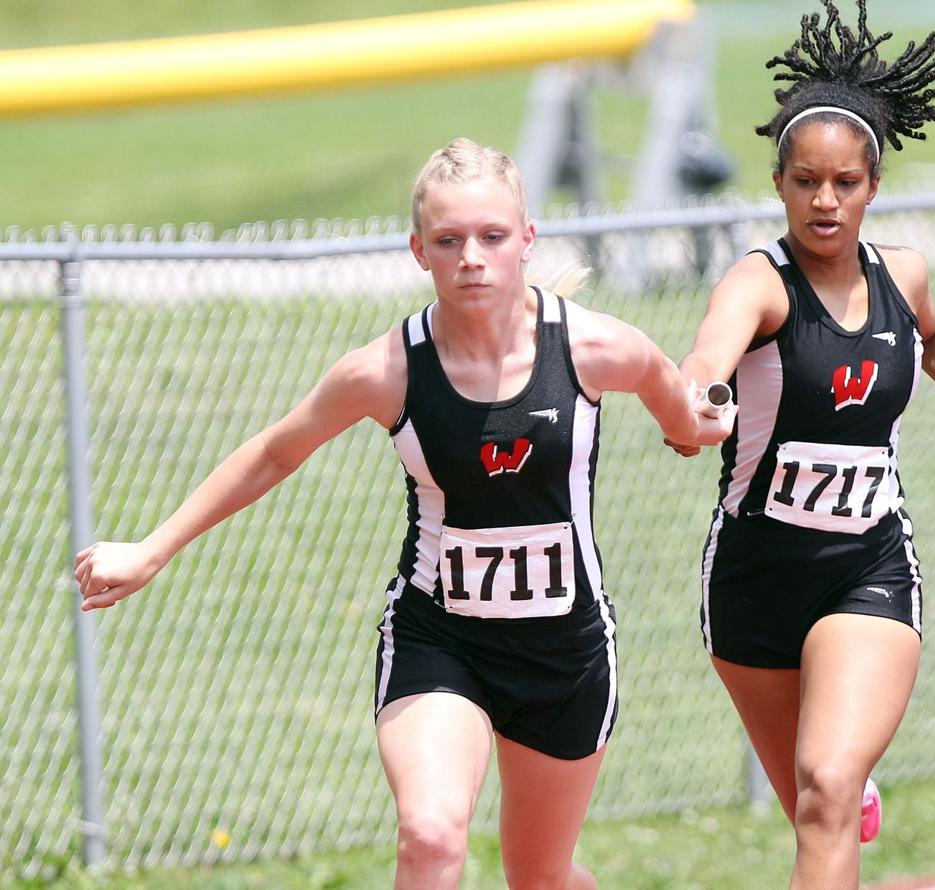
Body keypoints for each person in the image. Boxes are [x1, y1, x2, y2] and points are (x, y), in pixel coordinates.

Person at [73, 137, 734, 890]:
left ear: (527, 238)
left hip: (565, 648)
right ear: (419, 250)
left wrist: (696, 423)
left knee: (540, 876)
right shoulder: (384, 371)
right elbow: (275, 451)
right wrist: (154, 549)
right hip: (440, 637)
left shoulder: (598, 347)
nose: (472, 258)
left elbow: (683, 417)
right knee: (429, 835)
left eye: (491, 236)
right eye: (449, 241)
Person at [667, 2, 935, 888]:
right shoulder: (759, 283)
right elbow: (710, 351)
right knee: (816, 809)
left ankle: (845, 781)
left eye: (845, 183)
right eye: (806, 181)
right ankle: (848, 793)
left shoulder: (905, 273)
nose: (825, 201)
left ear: (872, 186)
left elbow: (931, 336)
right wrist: (700, 398)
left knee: (824, 788)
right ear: (779, 184)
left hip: (868, 567)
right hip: (753, 582)